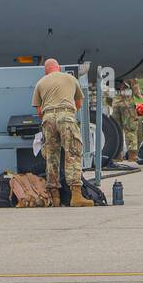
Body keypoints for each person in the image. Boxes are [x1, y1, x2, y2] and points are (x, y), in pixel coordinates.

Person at [32, 59, 92, 207]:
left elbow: (39, 111)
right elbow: (78, 103)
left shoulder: (41, 82)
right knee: (72, 153)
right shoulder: (70, 78)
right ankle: (76, 196)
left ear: (46, 70)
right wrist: (66, 114)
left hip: (48, 118)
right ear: (58, 68)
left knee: (51, 156)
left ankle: (55, 196)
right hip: (66, 115)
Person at [110, 77, 143, 161]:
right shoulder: (130, 75)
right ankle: (132, 155)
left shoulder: (114, 74)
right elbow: (137, 93)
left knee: (117, 130)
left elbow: (108, 95)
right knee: (130, 129)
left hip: (115, 105)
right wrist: (142, 95)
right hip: (127, 106)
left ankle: (118, 155)